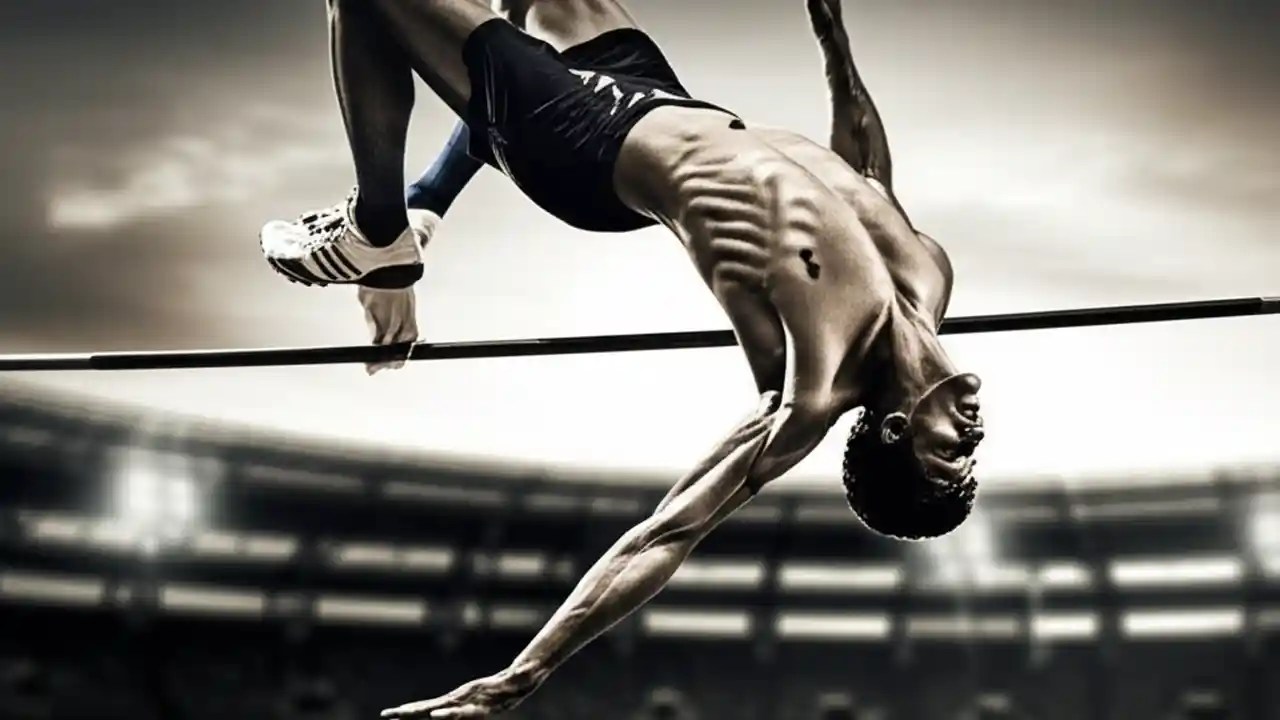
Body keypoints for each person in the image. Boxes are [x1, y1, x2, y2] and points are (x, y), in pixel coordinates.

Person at [259, 0, 986, 715]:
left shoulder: (812, 382)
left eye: (953, 455)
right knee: (518, 10)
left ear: (897, 430)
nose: (975, 435)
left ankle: (378, 230)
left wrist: (519, 677)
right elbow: (863, 170)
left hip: (585, 151)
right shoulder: (927, 274)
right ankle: (422, 207)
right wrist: (832, 35)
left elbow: (667, 534)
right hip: (660, 98)